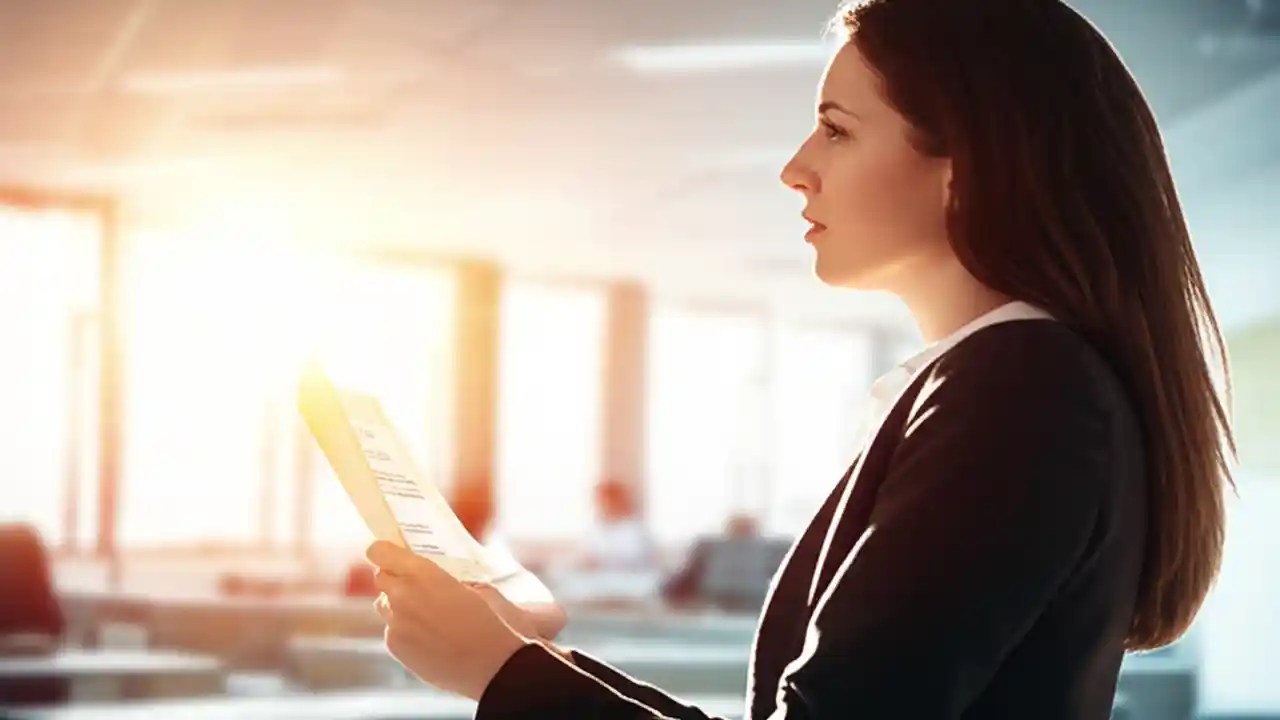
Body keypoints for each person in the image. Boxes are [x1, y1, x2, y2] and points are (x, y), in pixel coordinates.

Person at [363, 0, 1237, 717]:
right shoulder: (1003, 383)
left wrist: (502, 677)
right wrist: (524, 661)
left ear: (963, 164)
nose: (796, 169)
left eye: (836, 130)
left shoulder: (1020, 391)